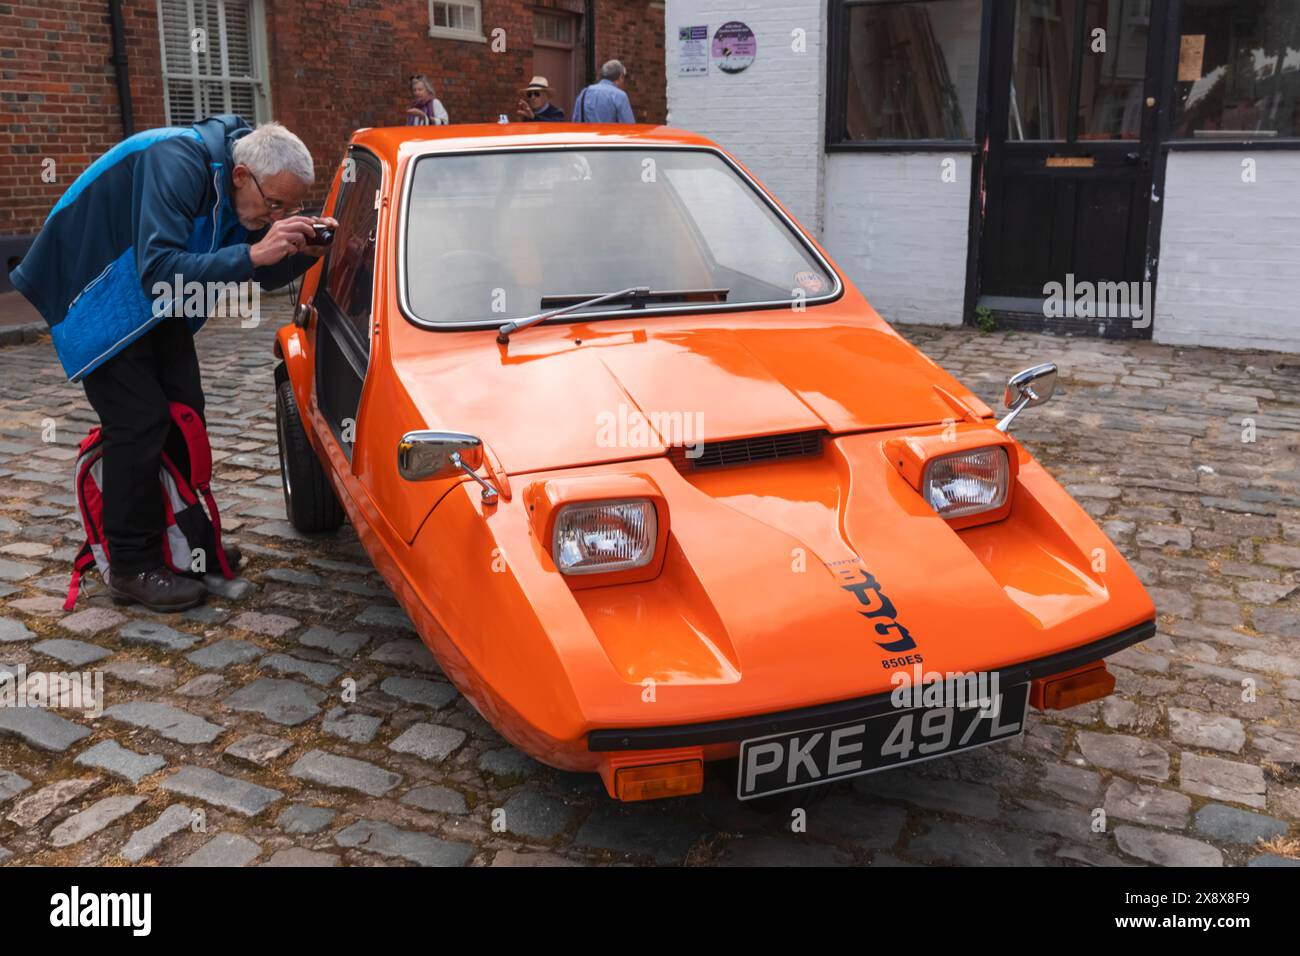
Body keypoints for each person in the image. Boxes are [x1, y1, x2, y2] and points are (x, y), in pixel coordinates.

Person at [9, 115, 335, 612]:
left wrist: (302, 252)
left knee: (184, 412)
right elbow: (160, 268)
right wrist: (257, 253)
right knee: (139, 421)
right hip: (93, 288)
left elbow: (255, 269)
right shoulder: (177, 160)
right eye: (275, 205)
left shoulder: (238, 181)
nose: (276, 218)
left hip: (155, 298)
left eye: (290, 208)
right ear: (242, 175)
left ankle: (188, 545)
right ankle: (131, 564)